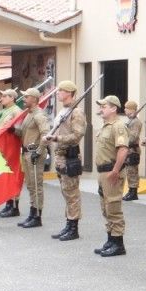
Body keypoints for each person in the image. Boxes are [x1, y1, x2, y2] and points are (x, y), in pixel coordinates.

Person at [46, 81, 87, 242]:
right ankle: (68, 224)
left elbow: (77, 136)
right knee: (65, 191)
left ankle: (74, 227)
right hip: (60, 156)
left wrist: (57, 138)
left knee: (72, 194)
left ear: (69, 92)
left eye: (61, 90)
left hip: (70, 156)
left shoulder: (76, 112)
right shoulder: (64, 111)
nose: (58, 93)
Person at [93, 95, 130, 256]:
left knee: (113, 207)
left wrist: (115, 170)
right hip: (103, 172)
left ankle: (118, 243)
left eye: (104, 106)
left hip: (111, 172)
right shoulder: (105, 126)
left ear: (114, 108)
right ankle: (110, 239)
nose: (101, 109)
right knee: (105, 207)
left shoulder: (118, 126)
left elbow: (123, 149)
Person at [14, 87, 50, 229]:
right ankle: (32, 212)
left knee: (36, 185)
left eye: (26, 97)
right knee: (30, 185)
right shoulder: (28, 114)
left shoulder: (39, 115)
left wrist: (40, 150)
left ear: (34, 99)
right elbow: (23, 133)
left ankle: (37, 216)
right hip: (26, 153)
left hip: (34, 153)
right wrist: (13, 130)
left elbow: (45, 134)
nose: (23, 99)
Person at [0, 89, 23, 218]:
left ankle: (14, 207)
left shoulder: (17, 111)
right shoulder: (5, 111)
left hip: (12, 147)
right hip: (4, 147)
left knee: (13, 176)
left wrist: (12, 129)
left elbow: (20, 130)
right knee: (6, 175)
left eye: (5, 96)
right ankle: (8, 204)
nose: (2, 98)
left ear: (12, 98)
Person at [122, 100, 143, 201]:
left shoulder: (136, 122)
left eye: (126, 108)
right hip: (128, 149)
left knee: (132, 171)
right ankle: (130, 190)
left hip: (132, 149)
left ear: (132, 110)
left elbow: (133, 137)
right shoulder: (129, 121)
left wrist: (124, 140)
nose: (124, 110)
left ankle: (134, 192)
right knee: (129, 171)